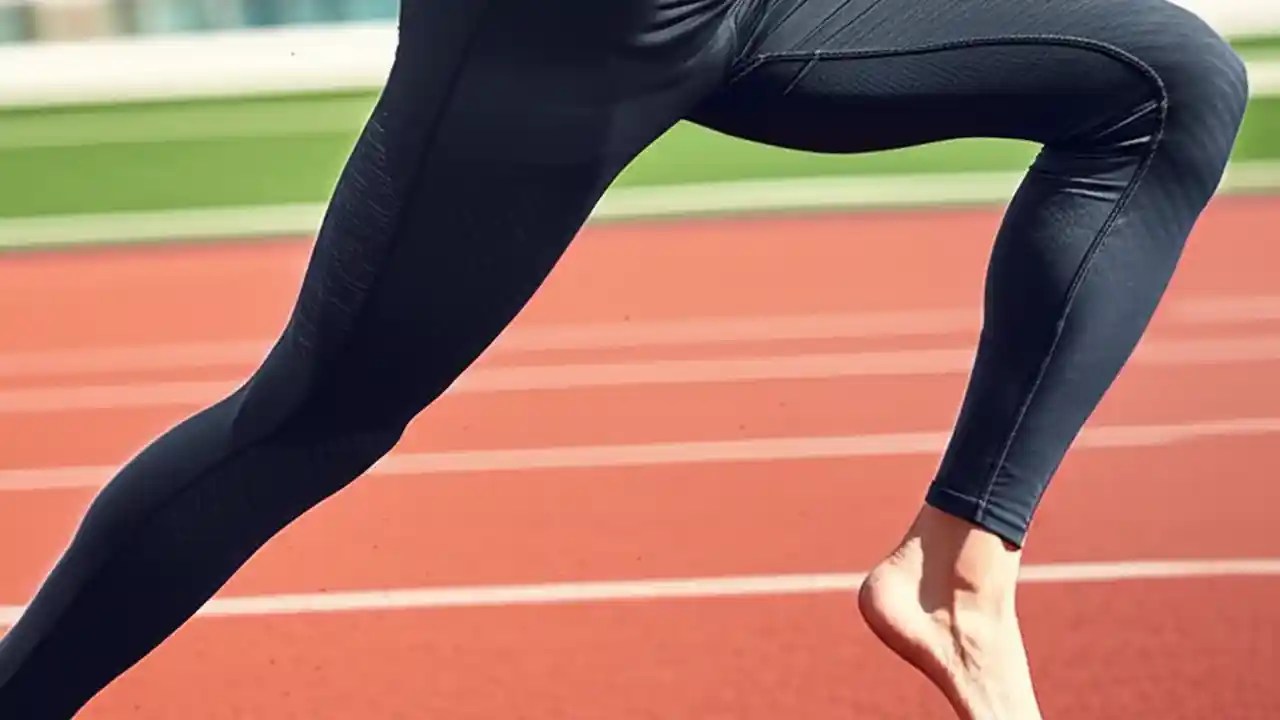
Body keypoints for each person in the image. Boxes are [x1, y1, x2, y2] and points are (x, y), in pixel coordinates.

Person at [0, 0, 1249, 718]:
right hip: (554, 37)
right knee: (314, 421)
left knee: (1167, 82)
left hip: (748, 9)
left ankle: (959, 563)